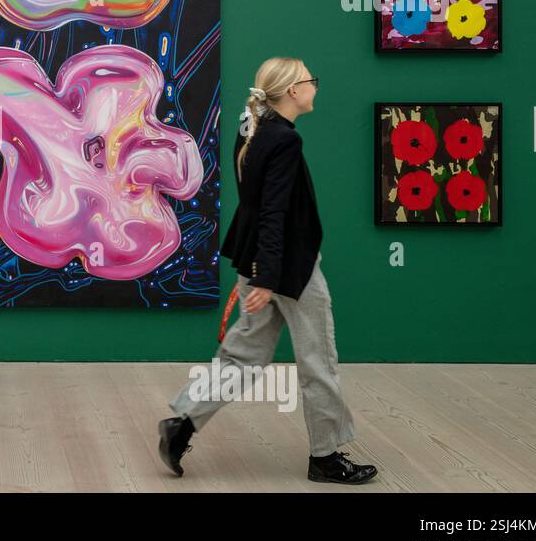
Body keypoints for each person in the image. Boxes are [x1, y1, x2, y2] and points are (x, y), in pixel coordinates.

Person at [158, 57, 377, 485]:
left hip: (258, 259)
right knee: (319, 359)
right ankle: (326, 456)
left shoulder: (252, 128)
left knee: (244, 354)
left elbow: (256, 206)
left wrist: (259, 273)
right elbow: (273, 212)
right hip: (288, 268)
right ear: (293, 92)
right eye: (310, 80)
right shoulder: (284, 140)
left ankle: (182, 425)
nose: (316, 85)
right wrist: (268, 278)